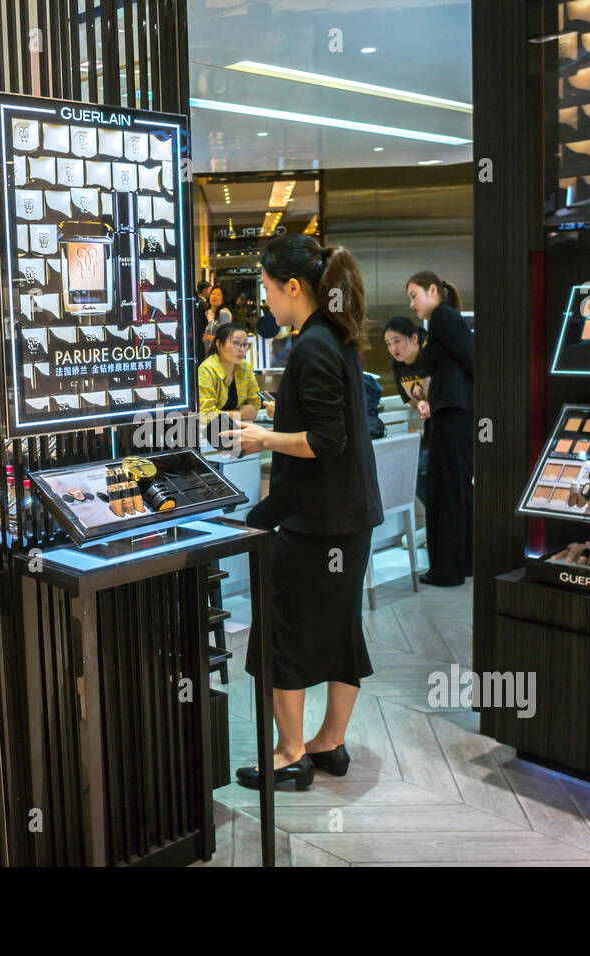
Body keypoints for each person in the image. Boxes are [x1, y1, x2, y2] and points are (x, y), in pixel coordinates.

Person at [221, 235, 383, 790]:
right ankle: (329, 743)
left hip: (318, 525)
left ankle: (290, 753)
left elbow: (326, 439)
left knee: (279, 636)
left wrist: (265, 436)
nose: (265, 301)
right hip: (348, 519)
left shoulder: (312, 344)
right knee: (340, 631)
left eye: (267, 289)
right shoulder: (337, 337)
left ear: (292, 287)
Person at [406, 271, 473, 587]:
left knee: (445, 490)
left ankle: (447, 570)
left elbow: (472, 359)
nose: (412, 303)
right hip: (452, 412)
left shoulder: (444, 318)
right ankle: (462, 563)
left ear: (433, 290)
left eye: (414, 294)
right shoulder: (443, 321)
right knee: (456, 489)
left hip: (452, 413)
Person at [383, 315, 431, 510]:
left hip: (454, 420)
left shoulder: (431, 354)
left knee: (424, 468)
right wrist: (419, 404)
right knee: (416, 470)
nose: (393, 348)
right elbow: (411, 399)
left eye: (397, 341)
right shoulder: (397, 365)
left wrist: (432, 402)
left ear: (413, 338)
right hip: (431, 426)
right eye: (388, 344)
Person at [197, 321, 264, 446]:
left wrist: (225, 415)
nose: (242, 349)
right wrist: (241, 413)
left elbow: (255, 404)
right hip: (209, 437)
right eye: (236, 343)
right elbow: (205, 414)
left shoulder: (244, 367)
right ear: (219, 344)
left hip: (239, 432)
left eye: (245, 344)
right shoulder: (207, 369)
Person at [201, 287, 232, 354]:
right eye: (213, 294)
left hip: (220, 354)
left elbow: (225, 337)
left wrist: (209, 338)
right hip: (208, 353)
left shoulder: (224, 313)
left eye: (218, 295)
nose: (214, 296)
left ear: (223, 299)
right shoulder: (207, 313)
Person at [194, 280, 212, 353]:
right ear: (204, 290)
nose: (209, 293)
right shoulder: (203, 304)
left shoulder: (197, 301)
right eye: (209, 290)